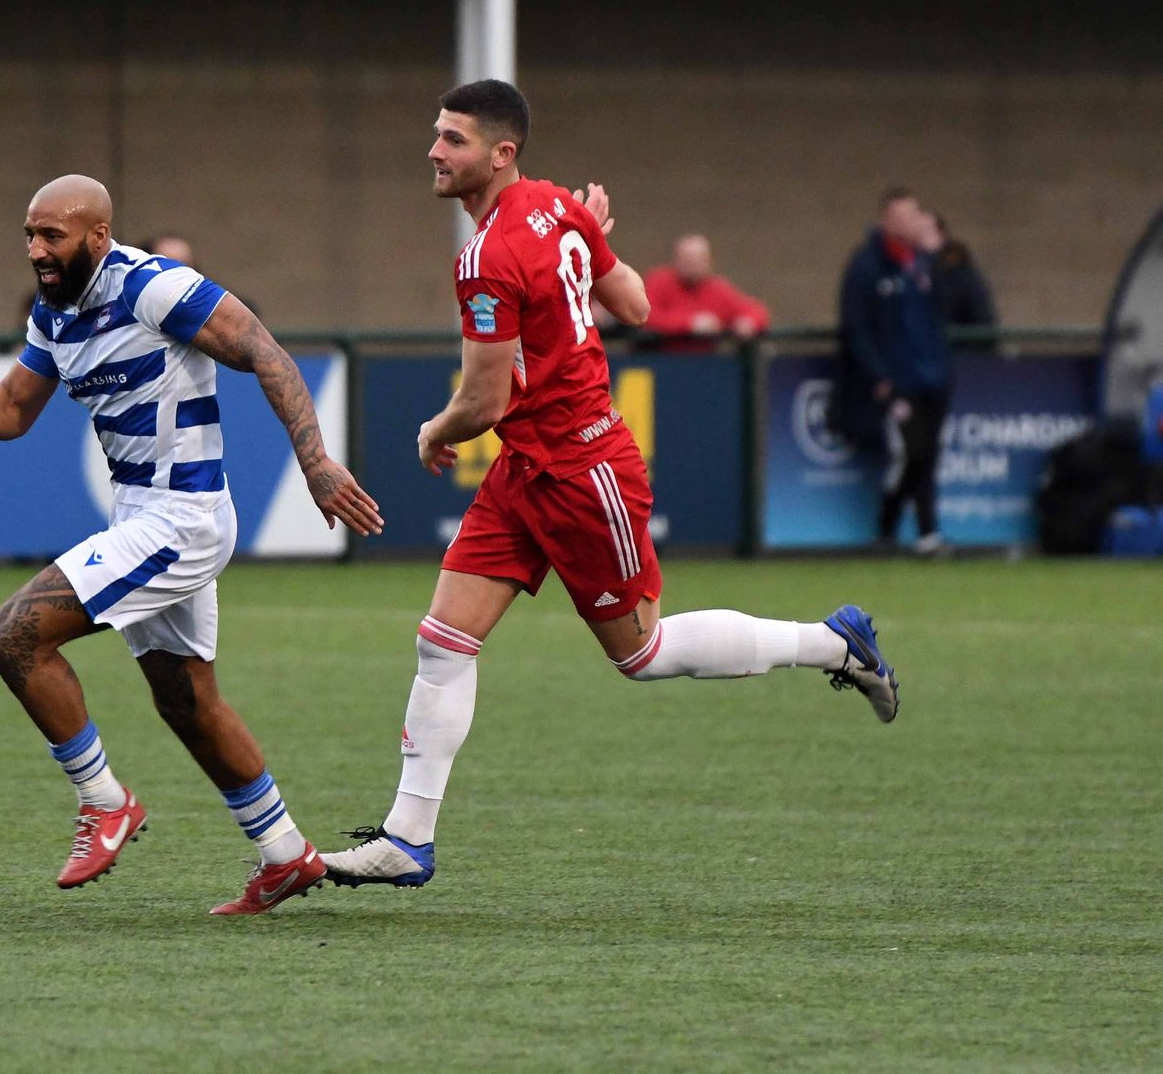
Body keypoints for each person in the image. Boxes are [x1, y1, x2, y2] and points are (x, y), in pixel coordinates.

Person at [322, 80, 898, 891]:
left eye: (453, 139)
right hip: (526, 467)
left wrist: (433, 430)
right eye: (437, 134)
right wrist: (586, 247)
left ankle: (835, 642)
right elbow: (634, 302)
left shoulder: (485, 258)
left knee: (643, 654)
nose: (434, 151)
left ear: (501, 152)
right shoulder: (560, 205)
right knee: (443, 639)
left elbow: (482, 402)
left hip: (582, 471)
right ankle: (407, 839)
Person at [0, 174, 382, 915]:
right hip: (141, 515)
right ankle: (286, 854)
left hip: (182, 518)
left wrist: (315, 462)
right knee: (185, 700)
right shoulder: (53, 311)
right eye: (29, 235)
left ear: (98, 235)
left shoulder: (153, 286)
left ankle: (105, 800)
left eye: (52, 235)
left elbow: (264, 350)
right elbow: (13, 410)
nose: (36, 250)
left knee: (14, 634)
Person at [837, 188, 952, 556]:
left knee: (927, 454)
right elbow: (855, 327)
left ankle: (916, 533)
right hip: (898, 381)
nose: (907, 223)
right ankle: (908, 530)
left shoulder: (925, 264)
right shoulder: (867, 266)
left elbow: (947, 314)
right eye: (899, 216)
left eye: (912, 216)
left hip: (933, 377)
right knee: (911, 453)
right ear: (886, 220)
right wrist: (879, 375)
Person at [642, 233, 770, 351]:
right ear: (676, 260)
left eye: (699, 260)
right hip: (659, 359)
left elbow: (756, 311)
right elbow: (645, 317)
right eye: (688, 259)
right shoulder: (659, 281)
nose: (693, 265)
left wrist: (748, 322)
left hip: (704, 361)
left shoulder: (717, 288)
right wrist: (690, 323)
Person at [919, 209, 998, 332]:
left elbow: (982, 319)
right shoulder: (909, 272)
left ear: (941, 236)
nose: (919, 239)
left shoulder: (960, 274)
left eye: (925, 232)